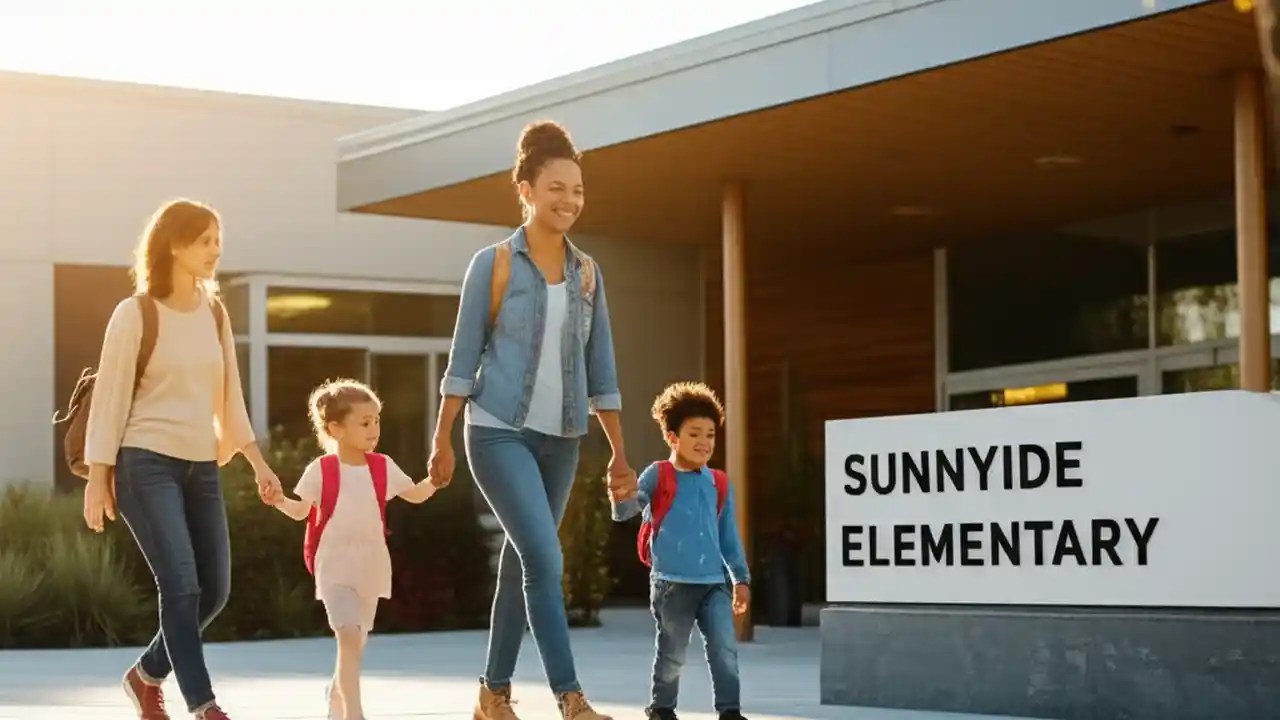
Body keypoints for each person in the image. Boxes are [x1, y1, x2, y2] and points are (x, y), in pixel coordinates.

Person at [428, 119, 638, 720]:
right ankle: (571, 699)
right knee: (546, 561)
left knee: (525, 559)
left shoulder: (589, 275)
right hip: (497, 431)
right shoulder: (491, 265)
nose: (569, 200)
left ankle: (492, 695)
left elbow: (604, 371)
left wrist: (620, 454)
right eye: (556, 187)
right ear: (525, 188)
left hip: (563, 440)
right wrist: (441, 439)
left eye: (577, 189)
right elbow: (462, 362)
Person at [81, 199, 285, 720]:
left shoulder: (215, 314)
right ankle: (204, 704)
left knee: (213, 589)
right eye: (205, 241)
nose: (216, 251)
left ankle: (146, 674)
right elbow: (110, 401)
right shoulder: (135, 314)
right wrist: (97, 477)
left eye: (218, 240)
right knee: (181, 583)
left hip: (201, 464)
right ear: (174, 244)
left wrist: (258, 463)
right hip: (144, 462)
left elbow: (230, 395)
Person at [271, 378, 441, 720]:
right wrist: (279, 501)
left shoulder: (383, 466)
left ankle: (336, 692)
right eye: (364, 422)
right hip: (334, 565)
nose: (374, 429)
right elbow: (302, 511)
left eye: (376, 420)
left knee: (356, 644)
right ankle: (354, 713)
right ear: (335, 428)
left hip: (371, 564)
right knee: (348, 639)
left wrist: (436, 479)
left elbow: (415, 494)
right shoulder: (321, 470)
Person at [612, 382, 751, 720]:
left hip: (714, 583)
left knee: (725, 650)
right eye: (694, 434)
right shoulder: (657, 474)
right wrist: (619, 494)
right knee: (672, 653)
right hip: (672, 584)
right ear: (672, 437)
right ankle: (662, 709)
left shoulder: (717, 482)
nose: (704, 442)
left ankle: (730, 711)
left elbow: (728, 535)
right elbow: (627, 512)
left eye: (710, 435)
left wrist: (741, 579)